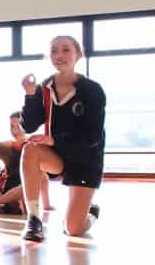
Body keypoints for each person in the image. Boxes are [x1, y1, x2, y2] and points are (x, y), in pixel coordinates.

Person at [18, 35, 106, 242]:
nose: (59, 55)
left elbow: (92, 137)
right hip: (57, 156)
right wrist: (30, 95)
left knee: (73, 229)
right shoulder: (44, 88)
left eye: (66, 50)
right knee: (30, 149)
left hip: (85, 160)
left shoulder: (92, 90)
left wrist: (54, 140)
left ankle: (91, 212)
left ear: (78, 55)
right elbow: (28, 126)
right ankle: (33, 220)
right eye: (54, 51)